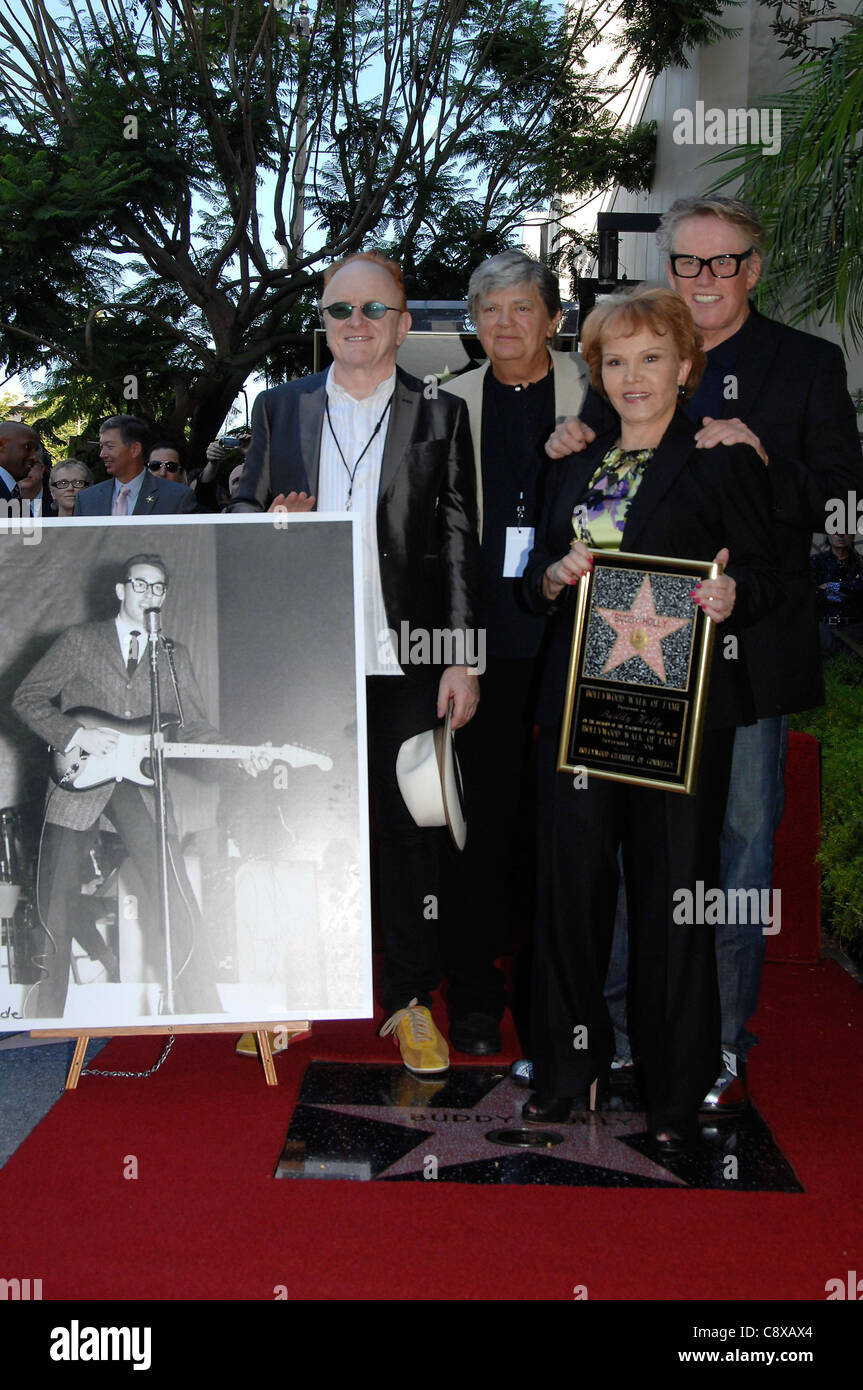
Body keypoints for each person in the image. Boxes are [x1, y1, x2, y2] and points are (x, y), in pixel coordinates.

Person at [545, 196, 863, 1112]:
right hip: (631, 661)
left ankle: (717, 1041)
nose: (703, 279)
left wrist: (764, 455)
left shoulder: (805, 364)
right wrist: (572, 440)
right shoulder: (629, 342)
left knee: (732, 851)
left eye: (722, 264)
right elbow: (600, 486)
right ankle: (606, 1034)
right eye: (686, 262)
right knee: (615, 853)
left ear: (752, 269)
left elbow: (842, 507)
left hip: (746, 655)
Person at [522, 286, 778, 1151]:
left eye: (651, 358)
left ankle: (674, 1086)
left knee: (674, 897)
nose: (633, 376)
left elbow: (771, 576)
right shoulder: (569, 460)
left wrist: (733, 595)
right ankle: (566, 1068)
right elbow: (533, 582)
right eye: (615, 360)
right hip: (576, 712)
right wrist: (553, 579)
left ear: (684, 367)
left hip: (680, 716)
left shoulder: (721, 458)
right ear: (596, 372)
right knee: (569, 890)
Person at [231, 250, 481, 1075]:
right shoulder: (279, 408)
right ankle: (291, 996)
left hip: (405, 659)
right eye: (340, 311)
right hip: (303, 659)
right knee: (296, 822)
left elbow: (454, 542)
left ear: (404, 325)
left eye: (374, 310)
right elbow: (235, 513)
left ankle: (410, 1002)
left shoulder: (440, 414)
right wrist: (268, 517)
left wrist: (459, 657)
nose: (356, 324)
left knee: (411, 831)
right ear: (324, 322)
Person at [434, 249, 607, 1055]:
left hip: (580, 641)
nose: (504, 324)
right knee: (479, 825)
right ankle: (472, 998)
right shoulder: (441, 403)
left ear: (553, 318)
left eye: (521, 308)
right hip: (481, 650)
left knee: (566, 831)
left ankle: (555, 1005)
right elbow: (435, 542)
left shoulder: (601, 391)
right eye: (489, 310)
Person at [12, 553, 270, 1019]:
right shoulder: (80, 640)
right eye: (140, 585)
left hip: (142, 785)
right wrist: (74, 734)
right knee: (55, 907)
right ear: (120, 590)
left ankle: (204, 1011)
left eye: (158, 588)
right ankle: (44, 1022)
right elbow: (26, 697)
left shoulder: (171, 655)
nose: (149, 595)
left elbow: (193, 728)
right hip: (78, 782)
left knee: (175, 900)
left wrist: (239, 754)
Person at [75, 416, 197, 516]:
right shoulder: (87, 499)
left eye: (110, 447)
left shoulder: (177, 497)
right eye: (101, 447)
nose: (102, 454)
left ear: (135, 449)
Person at [811, 534, 863, 652]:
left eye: (846, 530)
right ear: (827, 534)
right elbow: (813, 594)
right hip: (824, 629)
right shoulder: (816, 562)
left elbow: (859, 590)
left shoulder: (860, 563)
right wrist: (846, 593)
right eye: (835, 531)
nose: (840, 535)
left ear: (853, 535)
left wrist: (829, 586)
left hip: (856, 630)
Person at [0, 421, 41, 502]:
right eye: (28, 447)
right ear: (1, 445)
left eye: (35, 450)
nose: (35, 458)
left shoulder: (16, 493)